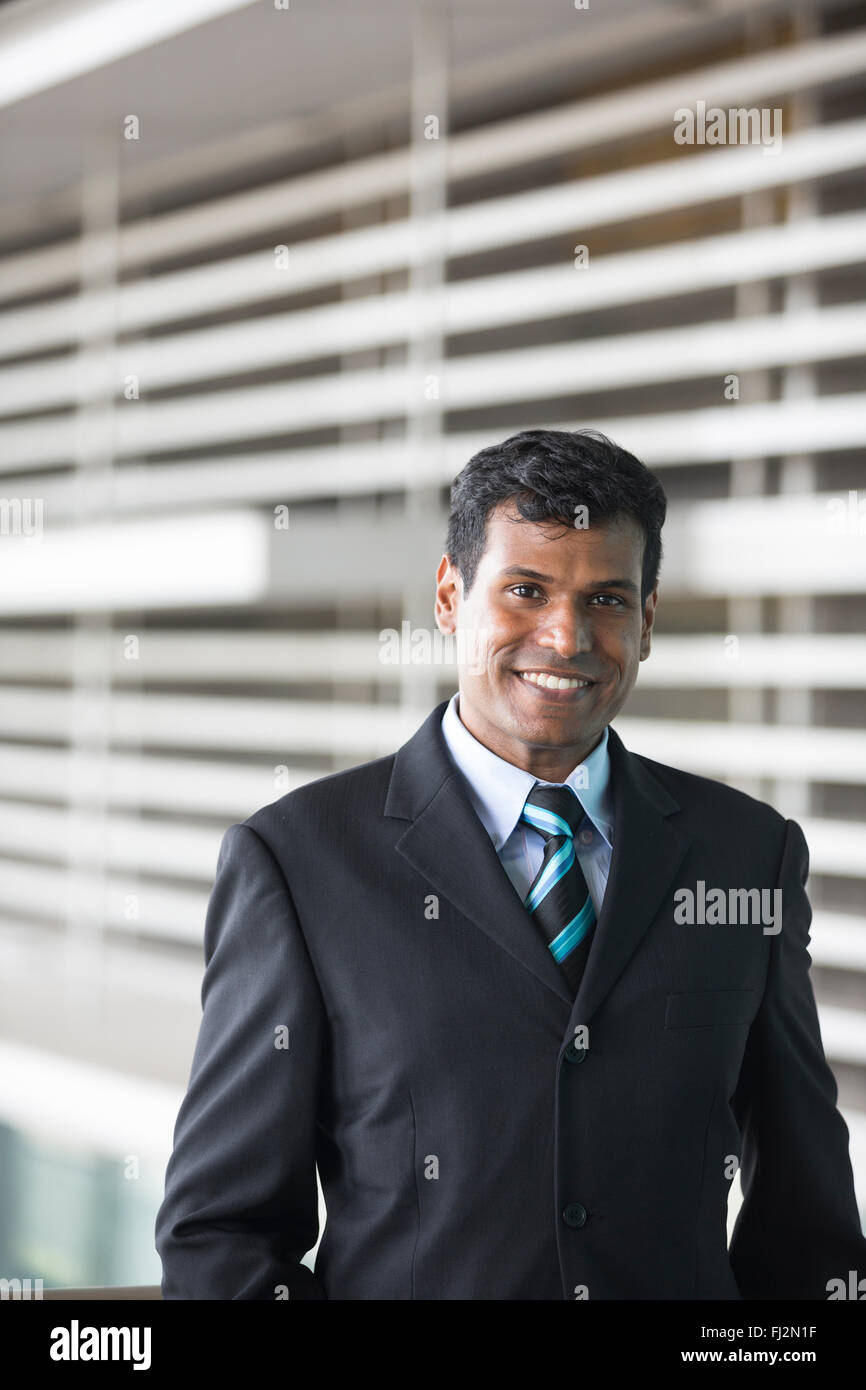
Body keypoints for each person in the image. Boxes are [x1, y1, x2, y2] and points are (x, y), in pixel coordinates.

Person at [155, 427, 866, 1299]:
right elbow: (219, 1237)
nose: (566, 636)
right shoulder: (298, 863)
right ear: (452, 596)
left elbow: (809, 1220)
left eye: (607, 600)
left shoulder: (749, 855)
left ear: (646, 623)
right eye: (526, 590)